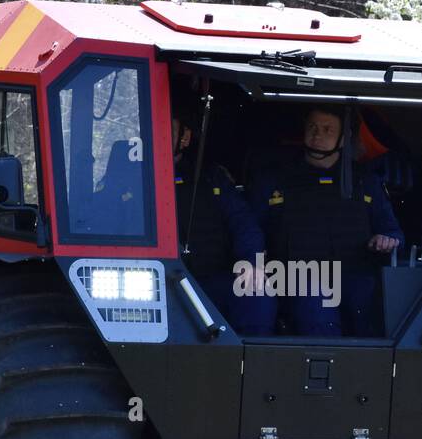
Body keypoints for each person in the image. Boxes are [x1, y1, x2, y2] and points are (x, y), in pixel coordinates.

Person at [250, 105, 403, 336]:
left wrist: (386, 239)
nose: (317, 135)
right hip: (295, 279)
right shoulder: (274, 179)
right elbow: (250, 232)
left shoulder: (365, 182)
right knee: (315, 300)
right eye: (312, 127)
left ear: (343, 139)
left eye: (327, 129)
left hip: (355, 276)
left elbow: (394, 232)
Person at [171, 99, 274, 334]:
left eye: (167, 129)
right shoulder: (127, 176)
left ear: (185, 138)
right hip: (152, 285)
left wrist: (250, 261)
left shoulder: (211, 178)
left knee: (256, 288)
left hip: (212, 278)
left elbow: (243, 223)